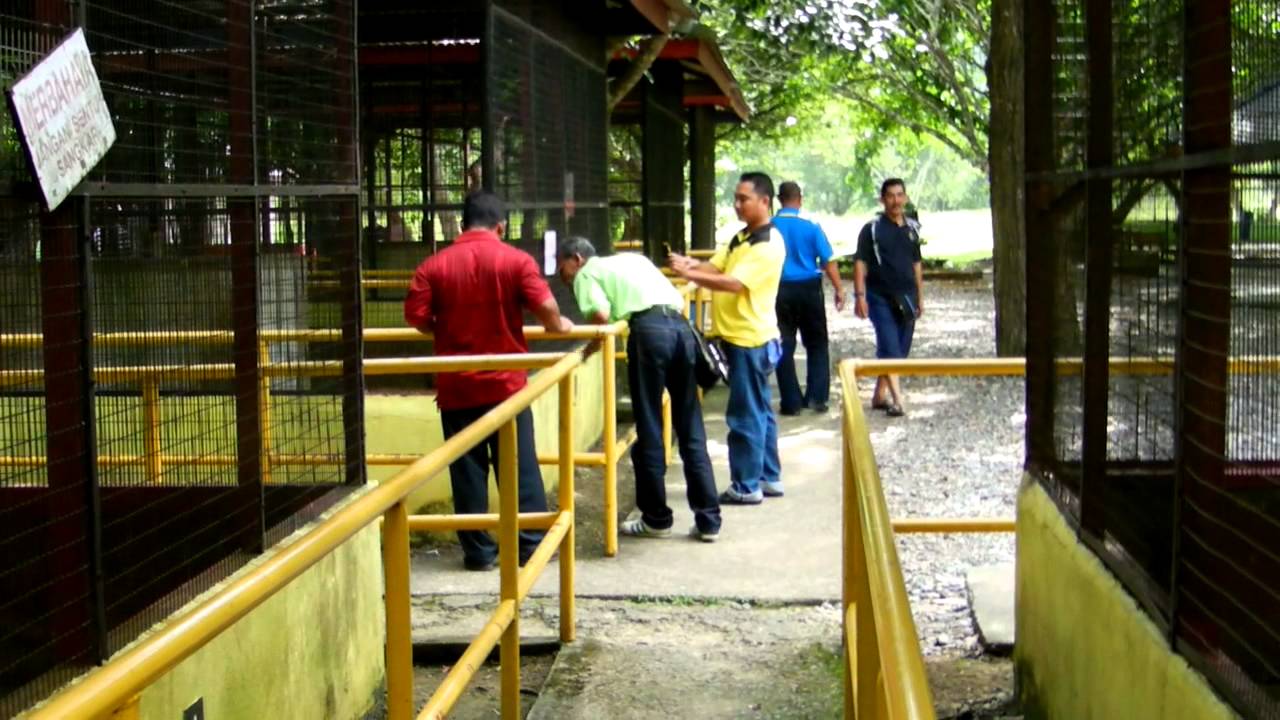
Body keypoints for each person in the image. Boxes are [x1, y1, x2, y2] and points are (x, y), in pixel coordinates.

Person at [404, 191, 574, 571]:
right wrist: (558, 324)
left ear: (464, 225)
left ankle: (478, 552)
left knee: (467, 470)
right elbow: (545, 307)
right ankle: (530, 546)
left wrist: (441, 329)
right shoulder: (516, 261)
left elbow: (415, 317)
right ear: (501, 226)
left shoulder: (434, 266)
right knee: (520, 467)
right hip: (506, 388)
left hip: (457, 387)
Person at [556, 238, 721, 542]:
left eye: (562, 265)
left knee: (648, 426)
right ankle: (709, 519)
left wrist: (588, 349)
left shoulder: (587, 274)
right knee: (691, 428)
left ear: (577, 258)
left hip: (648, 334)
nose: (562, 274)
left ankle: (656, 518)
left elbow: (601, 316)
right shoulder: (633, 260)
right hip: (682, 329)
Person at [669, 172, 786, 505]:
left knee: (745, 414)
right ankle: (767, 476)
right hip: (741, 336)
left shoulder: (768, 244)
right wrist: (690, 264)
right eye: (735, 198)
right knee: (759, 409)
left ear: (765, 201)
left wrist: (689, 275)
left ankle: (746, 484)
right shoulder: (742, 237)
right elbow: (718, 267)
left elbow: (734, 283)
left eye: (743, 199)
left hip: (749, 339)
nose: (737, 205)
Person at [852, 178, 924, 417]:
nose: (895, 201)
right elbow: (860, 263)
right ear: (882, 199)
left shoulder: (911, 229)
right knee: (891, 347)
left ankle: (879, 395)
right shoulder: (871, 229)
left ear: (905, 197)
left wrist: (920, 297)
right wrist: (860, 295)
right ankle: (898, 401)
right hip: (878, 296)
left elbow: (917, 264)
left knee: (899, 351)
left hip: (908, 297)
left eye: (899, 195)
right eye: (890, 196)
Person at [772, 181, 845, 415]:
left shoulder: (768, 227)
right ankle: (817, 397)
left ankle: (791, 401)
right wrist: (838, 288)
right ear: (800, 199)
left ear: (778, 199)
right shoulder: (811, 225)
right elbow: (827, 259)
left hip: (779, 289)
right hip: (809, 288)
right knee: (816, 343)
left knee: (784, 343)